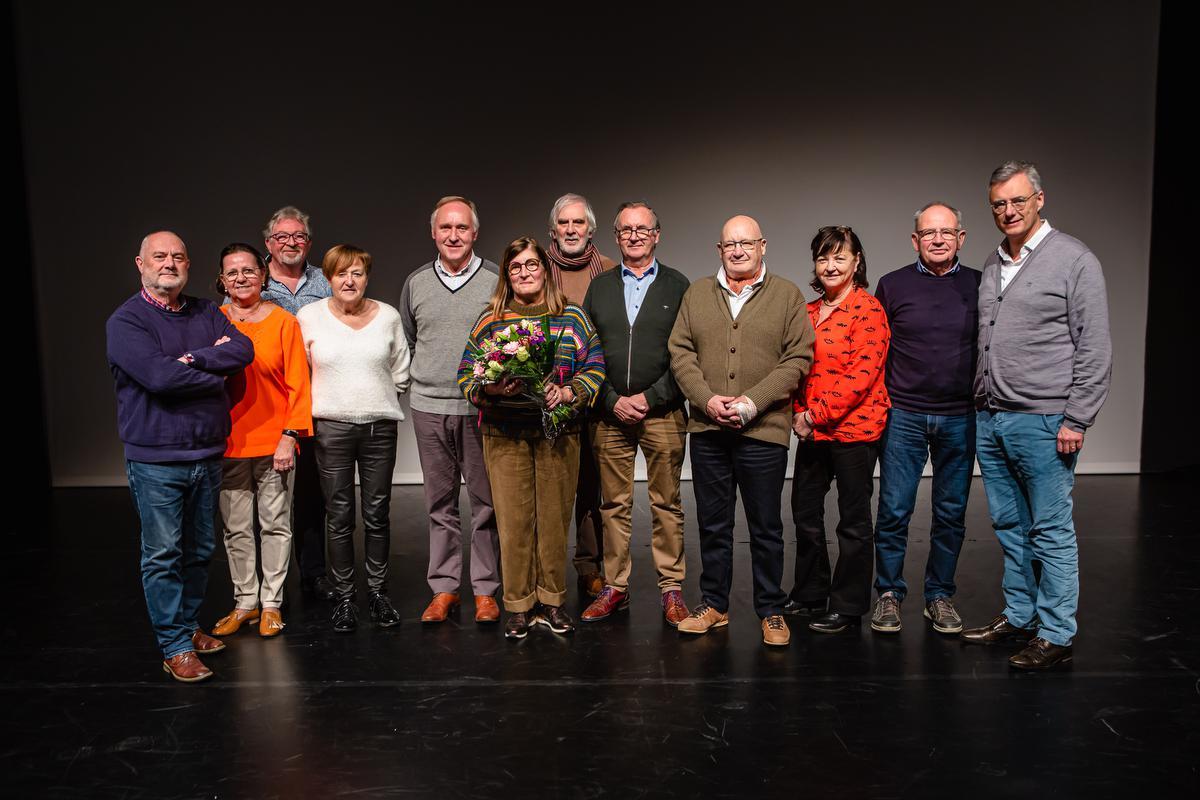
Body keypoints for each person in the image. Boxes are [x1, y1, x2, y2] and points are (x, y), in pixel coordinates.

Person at [961, 161, 1111, 670]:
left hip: (1046, 420)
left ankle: (1056, 633)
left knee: (1050, 529)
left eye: (1018, 201)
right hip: (993, 416)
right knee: (1008, 524)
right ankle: (1021, 616)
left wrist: (1078, 418)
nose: (1008, 211)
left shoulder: (1073, 260)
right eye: (999, 203)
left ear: (1039, 200)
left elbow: (1094, 346)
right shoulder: (993, 262)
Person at [106, 231, 254, 682]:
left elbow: (243, 350)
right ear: (140, 263)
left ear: (188, 264)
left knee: (200, 549)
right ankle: (173, 645)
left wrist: (191, 361)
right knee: (163, 554)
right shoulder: (126, 321)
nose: (169, 263)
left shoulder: (206, 310)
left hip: (207, 452)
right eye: (159, 256)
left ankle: (189, 627)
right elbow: (160, 378)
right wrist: (213, 368)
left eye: (178, 256)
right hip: (156, 460)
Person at [668, 215, 814, 647]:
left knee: (766, 525)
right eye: (730, 244)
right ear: (719, 250)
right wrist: (706, 399)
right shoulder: (697, 293)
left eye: (746, 243)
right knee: (713, 524)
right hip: (709, 430)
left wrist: (752, 401)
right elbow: (680, 353)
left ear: (762, 246)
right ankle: (714, 604)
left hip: (763, 431)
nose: (737, 250)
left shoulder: (786, 295)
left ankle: (771, 608)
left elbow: (798, 358)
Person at [457, 236, 606, 640]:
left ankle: (553, 602)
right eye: (515, 267)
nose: (524, 273)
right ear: (507, 274)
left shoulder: (571, 317)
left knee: (555, 521)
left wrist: (569, 391)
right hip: (504, 434)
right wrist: (491, 389)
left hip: (559, 434)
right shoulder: (491, 320)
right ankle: (520, 605)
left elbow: (595, 367)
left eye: (531, 265)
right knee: (514, 522)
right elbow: (467, 376)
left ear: (545, 269)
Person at [869, 203, 980, 636]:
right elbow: (876, 352)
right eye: (928, 233)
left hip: (960, 416)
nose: (937, 239)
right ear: (915, 240)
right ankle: (889, 595)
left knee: (951, 513)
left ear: (961, 238)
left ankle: (939, 596)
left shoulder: (980, 284)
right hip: (904, 414)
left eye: (946, 232)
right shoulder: (892, 285)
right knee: (894, 509)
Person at [580, 201, 691, 626]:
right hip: (610, 414)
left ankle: (672, 589)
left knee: (667, 503)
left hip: (661, 413)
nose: (635, 235)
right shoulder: (602, 287)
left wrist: (652, 396)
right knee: (613, 505)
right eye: (626, 229)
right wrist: (610, 399)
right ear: (616, 236)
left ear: (657, 235)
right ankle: (616, 587)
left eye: (642, 229)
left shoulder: (678, 285)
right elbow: (587, 351)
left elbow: (686, 353)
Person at [297, 244, 411, 633]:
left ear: (367, 277)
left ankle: (378, 594)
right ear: (328, 278)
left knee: (377, 514)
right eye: (341, 273)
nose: (349, 280)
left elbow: (400, 369)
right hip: (331, 427)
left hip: (379, 428)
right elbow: (300, 371)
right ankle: (345, 598)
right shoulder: (309, 317)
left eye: (357, 273)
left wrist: (375, 399)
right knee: (339, 515)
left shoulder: (388, 317)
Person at [400, 196, 502, 625]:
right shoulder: (417, 282)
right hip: (428, 408)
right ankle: (444, 589)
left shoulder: (496, 280)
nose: (454, 235)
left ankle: (485, 590)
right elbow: (406, 339)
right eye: (446, 228)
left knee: (485, 503)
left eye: (462, 228)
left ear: (475, 233)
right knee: (438, 503)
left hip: (479, 409)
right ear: (434, 233)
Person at [789, 226, 891, 635]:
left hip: (856, 432)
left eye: (839, 257)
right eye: (823, 258)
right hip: (813, 431)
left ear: (856, 262)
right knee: (805, 514)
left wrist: (813, 415)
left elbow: (860, 377)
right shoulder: (809, 311)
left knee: (853, 521)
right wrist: (800, 412)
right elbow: (796, 367)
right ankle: (811, 592)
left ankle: (847, 606)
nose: (830, 266)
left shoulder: (869, 310)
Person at [210, 243, 313, 639]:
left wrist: (290, 436)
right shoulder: (213, 322)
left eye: (248, 271)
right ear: (221, 279)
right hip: (228, 443)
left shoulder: (284, 322)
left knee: (275, 525)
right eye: (232, 272)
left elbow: (298, 385)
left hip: (274, 444)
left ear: (263, 275)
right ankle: (244, 603)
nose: (240, 278)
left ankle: (271, 603)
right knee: (236, 529)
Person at [261, 206, 336, 602]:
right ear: (268, 243)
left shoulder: (325, 282)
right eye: (282, 237)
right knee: (267, 499)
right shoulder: (252, 283)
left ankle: (313, 573)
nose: (291, 243)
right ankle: (268, 581)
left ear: (308, 242)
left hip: (313, 401)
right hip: (265, 404)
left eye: (299, 237)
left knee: (310, 495)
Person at [545, 193, 616, 598]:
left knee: (592, 490)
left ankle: (590, 567)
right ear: (553, 229)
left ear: (590, 228)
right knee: (553, 490)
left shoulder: (608, 270)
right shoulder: (535, 269)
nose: (571, 230)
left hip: (595, 394)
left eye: (578, 223)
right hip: (549, 398)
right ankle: (548, 567)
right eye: (564, 223)